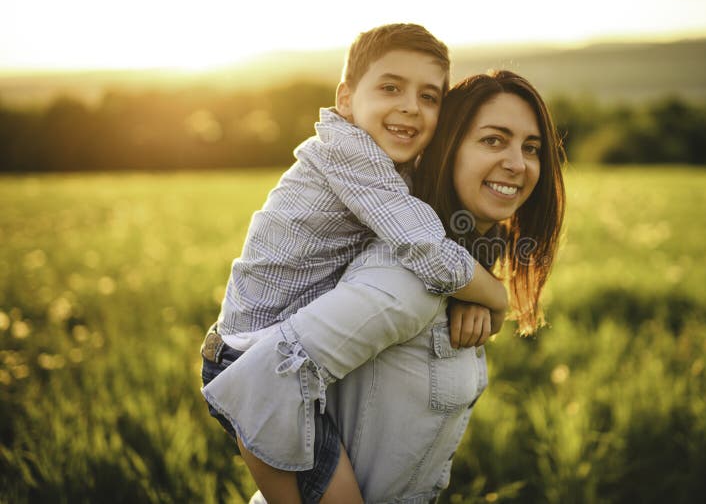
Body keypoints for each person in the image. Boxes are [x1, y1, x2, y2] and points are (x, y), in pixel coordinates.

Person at [203, 70, 566, 502]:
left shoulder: (455, 269)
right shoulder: (407, 281)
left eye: (531, 148)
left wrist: (482, 291)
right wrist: (495, 298)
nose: (517, 163)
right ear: (445, 149)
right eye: (492, 140)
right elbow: (259, 386)